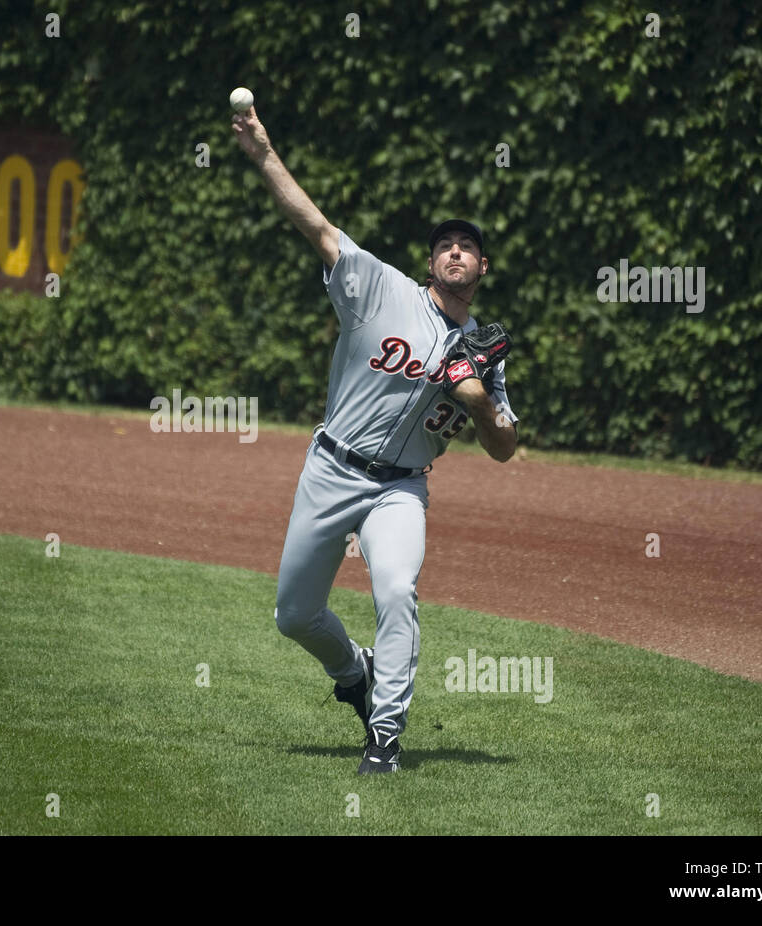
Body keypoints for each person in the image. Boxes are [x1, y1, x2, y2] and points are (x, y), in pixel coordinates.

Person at [231, 101, 519, 774]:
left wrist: (478, 404)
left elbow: (505, 445)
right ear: (430, 261)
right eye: (446, 243)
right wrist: (264, 154)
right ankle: (352, 670)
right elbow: (319, 227)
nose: (456, 250)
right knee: (295, 615)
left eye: (468, 246)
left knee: (396, 591)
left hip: (401, 492)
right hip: (331, 468)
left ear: (483, 269)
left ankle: (384, 739)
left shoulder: (484, 354)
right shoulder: (381, 289)